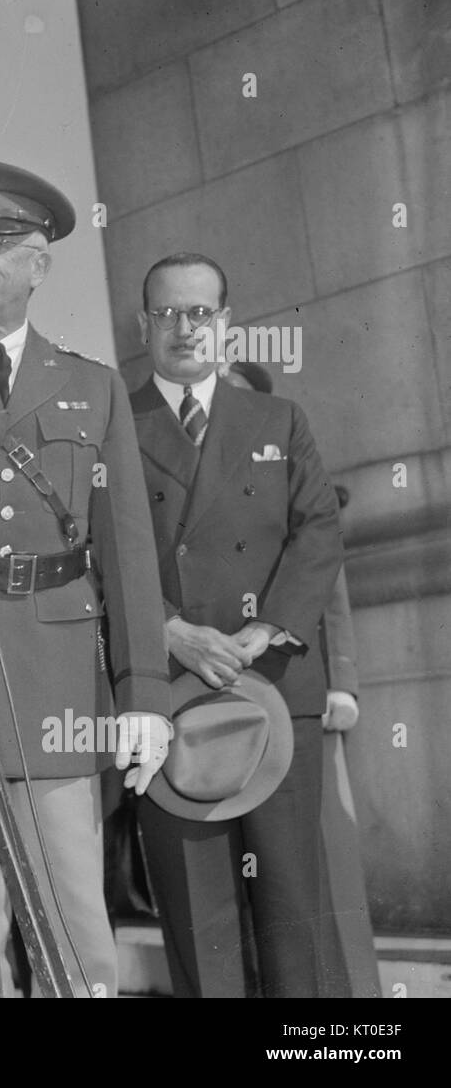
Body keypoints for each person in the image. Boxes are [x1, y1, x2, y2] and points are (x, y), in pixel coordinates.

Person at [0, 161, 172, 998]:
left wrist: (146, 699)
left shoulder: (92, 387)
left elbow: (127, 553)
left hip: (58, 687)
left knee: (75, 925)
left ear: (39, 263)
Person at [131, 252, 344, 997]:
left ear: (224, 324)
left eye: (200, 313)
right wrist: (168, 630)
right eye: (167, 313)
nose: (183, 329)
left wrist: (264, 631)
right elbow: (94, 555)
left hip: (274, 685)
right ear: (143, 324)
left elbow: (318, 531)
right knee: (200, 915)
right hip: (171, 691)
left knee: (292, 907)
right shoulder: (113, 427)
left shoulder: (278, 419)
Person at [224, 362, 380, 997]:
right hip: (228, 701)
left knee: (323, 859)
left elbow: (329, 590)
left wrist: (343, 681)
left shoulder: (290, 473)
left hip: (299, 692)